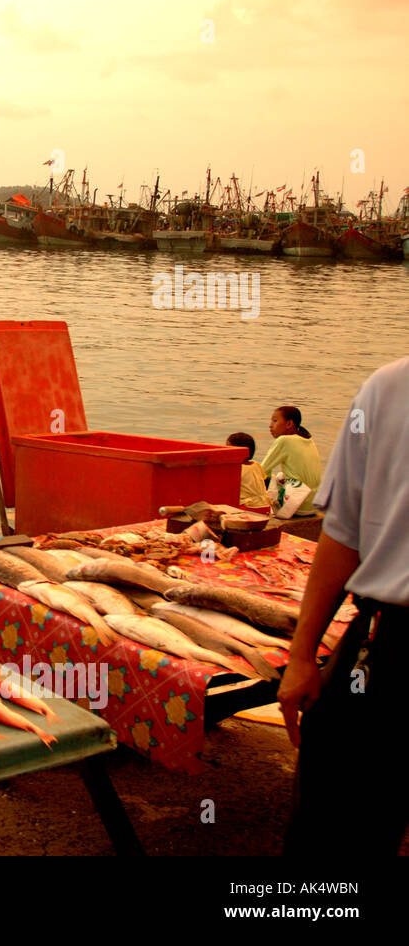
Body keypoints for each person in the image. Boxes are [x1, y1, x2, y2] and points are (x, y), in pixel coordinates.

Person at [277, 356, 409, 856]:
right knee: (332, 835)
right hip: (386, 643)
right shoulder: (387, 389)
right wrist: (302, 654)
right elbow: (342, 534)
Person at [259, 405, 322, 514]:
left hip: (298, 505)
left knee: (264, 477)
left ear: (289, 424)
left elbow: (261, 470)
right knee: (280, 477)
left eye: (275, 421)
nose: (270, 426)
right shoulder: (308, 439)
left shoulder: (284, 440)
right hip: (313, 504)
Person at [226, 431, 270, 509]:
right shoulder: (256, 464)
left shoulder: (237, 469)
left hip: (249, 508)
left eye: (228, 449)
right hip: (265, 506)